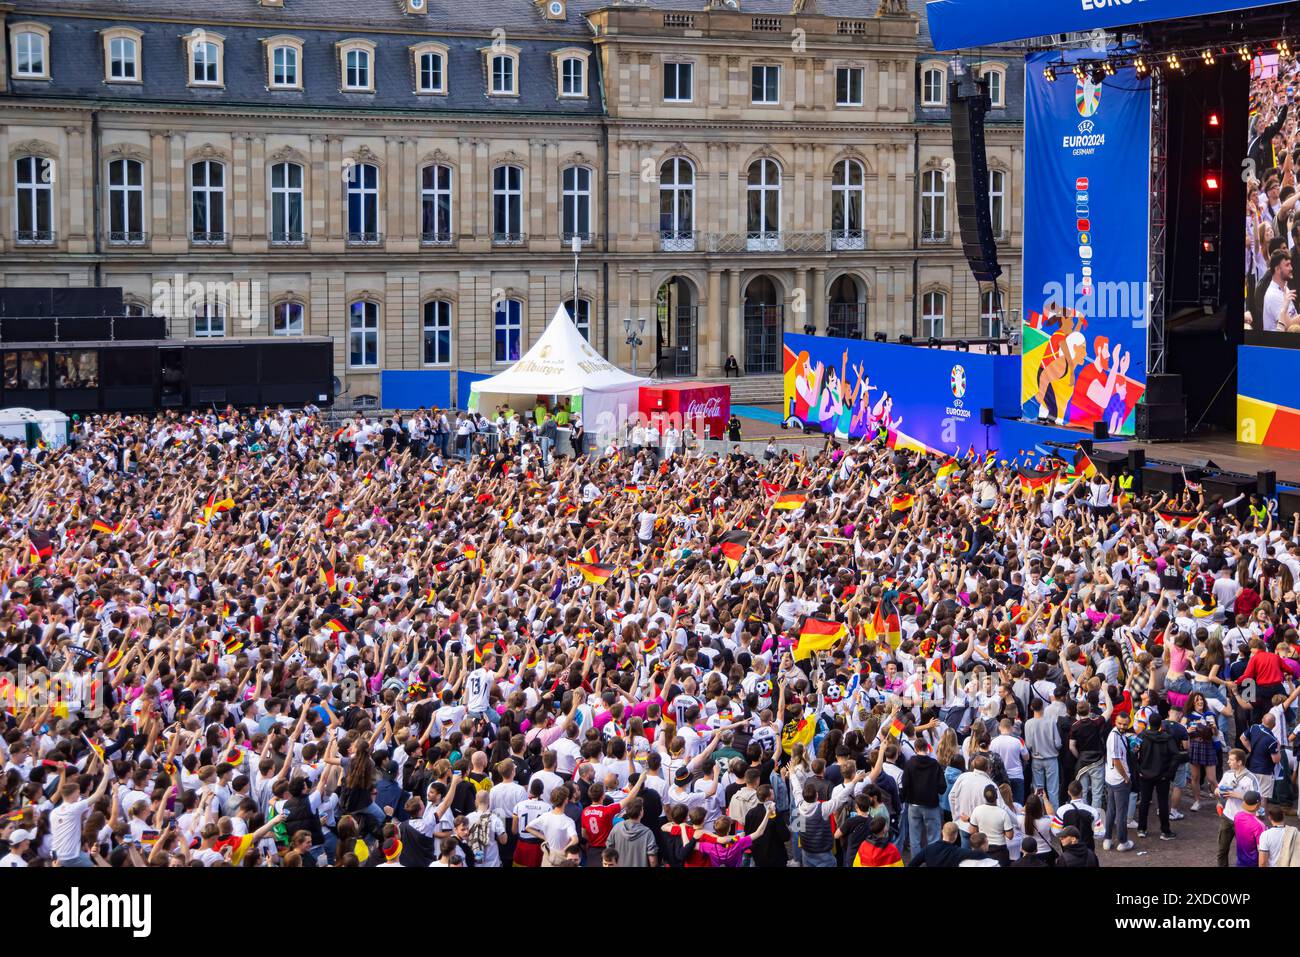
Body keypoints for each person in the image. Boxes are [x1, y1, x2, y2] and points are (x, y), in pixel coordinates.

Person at [1217, 749, 1261, 868]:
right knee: (1222, 851)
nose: (1228, 762)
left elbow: (1257, 798)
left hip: (1244, 821)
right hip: (1227, 817)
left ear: (1240, 762)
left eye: (1231, 760)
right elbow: (1218, 788)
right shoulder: (1228, 774)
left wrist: (1237, 795)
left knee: (1245, 852)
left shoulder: (1251, 779)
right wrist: (1219, 791)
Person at [1234, 791, 1266, 868]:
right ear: (1258, 805)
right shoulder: (1259, 825)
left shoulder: (1237, 816)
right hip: (1253, 863)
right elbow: (1261, 849)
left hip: (1240, 860)